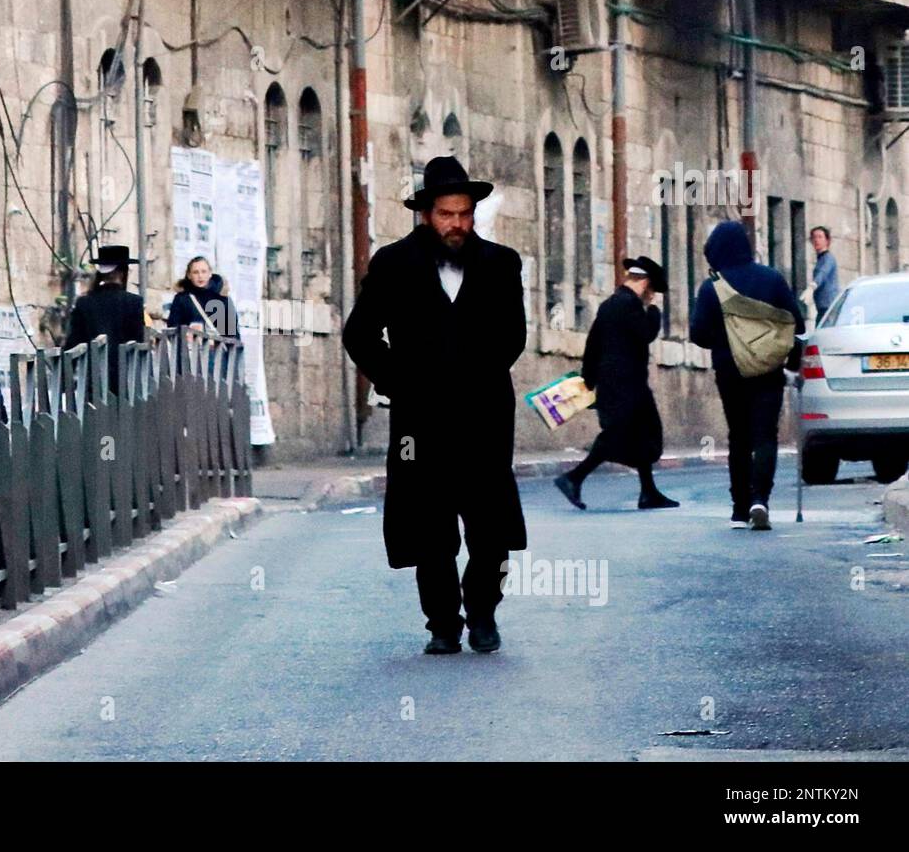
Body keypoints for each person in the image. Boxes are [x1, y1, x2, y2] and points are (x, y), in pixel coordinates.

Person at [342, 156, 526, 656]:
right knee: (430, 526)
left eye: (465, 214)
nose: (457, 225)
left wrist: (473, 375)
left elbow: (513, 336)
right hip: (418, 422)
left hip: (484, 415)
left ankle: (483, 613)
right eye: (447, 214)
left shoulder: (501, 264)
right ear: (427, 214)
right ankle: (443, 622)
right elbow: (359, 333)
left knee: (490, 526)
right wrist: (396, 381)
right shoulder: (394, 264)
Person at [691, 220, 805, 530]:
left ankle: (739, 509)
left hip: (729, 371)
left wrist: (727, 340)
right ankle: (760, 500)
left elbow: (698, 333)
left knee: (739, 437)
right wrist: (786, 356)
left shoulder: (712, 286)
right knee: (765, 435)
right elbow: (798, 324)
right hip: (768, 370)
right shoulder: (772, 279)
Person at [553, 257, 679, 512]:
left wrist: (589, 381)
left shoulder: (610, 304)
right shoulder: (631, 306)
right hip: (626, 387)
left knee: (644, 435)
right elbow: (646, 334)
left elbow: (593, 344)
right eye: (652, 289)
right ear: (645, 284)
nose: (652, 294)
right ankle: (573, 478)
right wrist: (653, 311)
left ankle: (648, 492)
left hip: (620, 386)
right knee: (618, 437)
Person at [64, 245, 146, 397]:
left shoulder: (85, 303)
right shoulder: (134, 302)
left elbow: (73, 342)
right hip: (126, 382)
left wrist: (63, 381)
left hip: (93, 380)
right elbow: (138, 342)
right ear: (123, 272)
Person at [167, 256, 240, 340]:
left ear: (210, 274)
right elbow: (173, 327)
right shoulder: (182, 299)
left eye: (204, 271)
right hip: (190, 350)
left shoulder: (223, 299)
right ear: (189, 275)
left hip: (217, 351)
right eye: (195, 272)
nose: (200, 276)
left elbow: (233, 335)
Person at [810, 225, 839, 325]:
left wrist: (813, 285)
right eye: (814, 237)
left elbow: (823, 272)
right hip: (822, 307)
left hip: (828, 307)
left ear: (827, 240)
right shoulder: (821, 259)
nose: (816, 240)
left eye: (820, 237)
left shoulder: (828, 258)